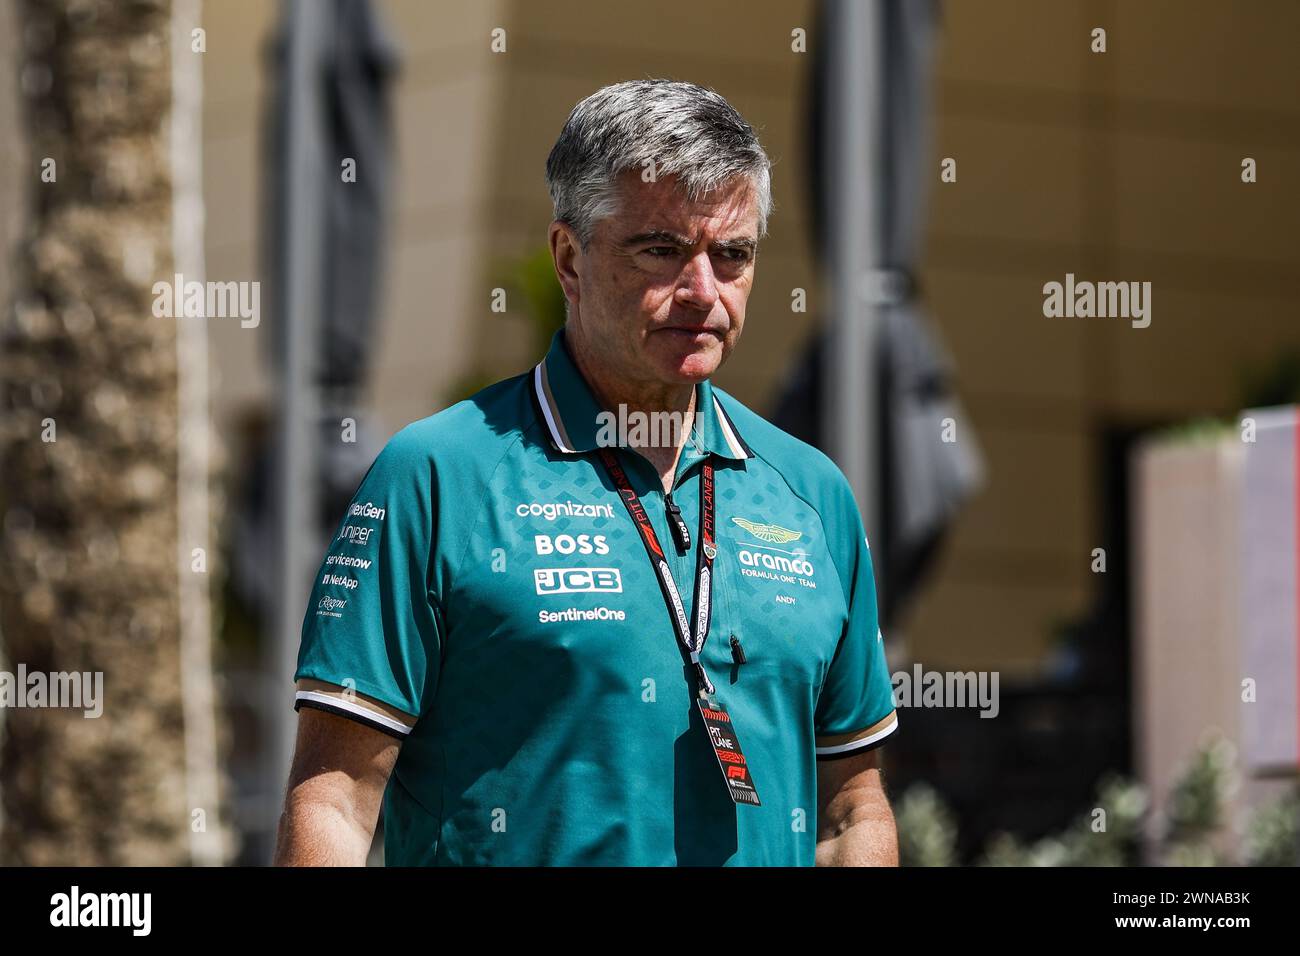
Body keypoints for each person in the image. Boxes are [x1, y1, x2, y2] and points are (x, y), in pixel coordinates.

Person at [274, 79, 899, 866]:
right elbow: (334, 797)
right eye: (662, 250)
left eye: (731, 256)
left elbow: (851, 808)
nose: (703, 292)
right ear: (569, 258)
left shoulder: (813, 495)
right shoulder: (436, 475)